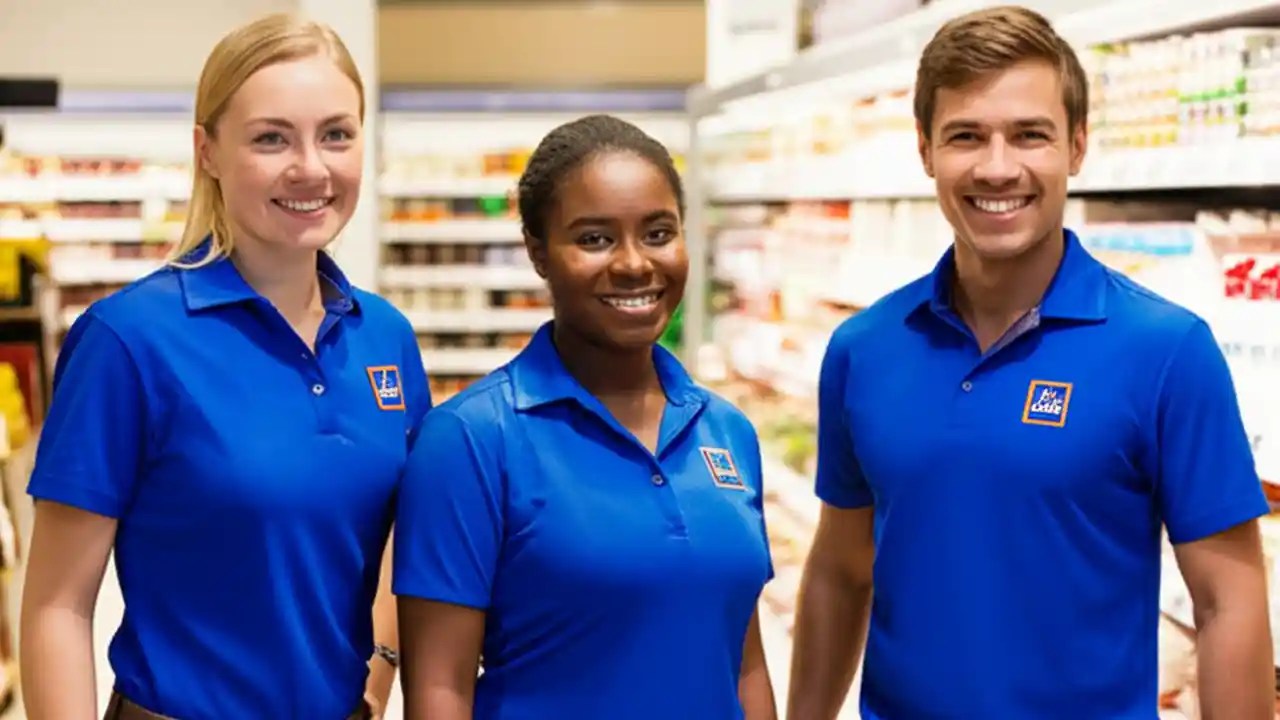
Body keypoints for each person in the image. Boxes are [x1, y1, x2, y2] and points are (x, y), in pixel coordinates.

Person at [787, 6, 1275, 720]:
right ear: (924, 149)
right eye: (965, 136)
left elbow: (1228, 600)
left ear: (1077, 146)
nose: (997, 167)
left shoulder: (1166, 351)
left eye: (1030, 135)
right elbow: (839, 569)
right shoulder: (863, 349)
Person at [19, 13, 428, 720]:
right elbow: (58, 604)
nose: (311, 167)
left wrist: (378, 675)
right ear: (207, 151)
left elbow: (405, 528)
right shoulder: (129, 341)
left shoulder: (385, 338)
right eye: (272, 138)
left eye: (336, 133)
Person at [393, 114, 777, 719]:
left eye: (657, 233)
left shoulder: (726, 430)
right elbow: (440, 689)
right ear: (539, 253)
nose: (633, 263)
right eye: (594, 239)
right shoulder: (472, 440)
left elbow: (743, 658)